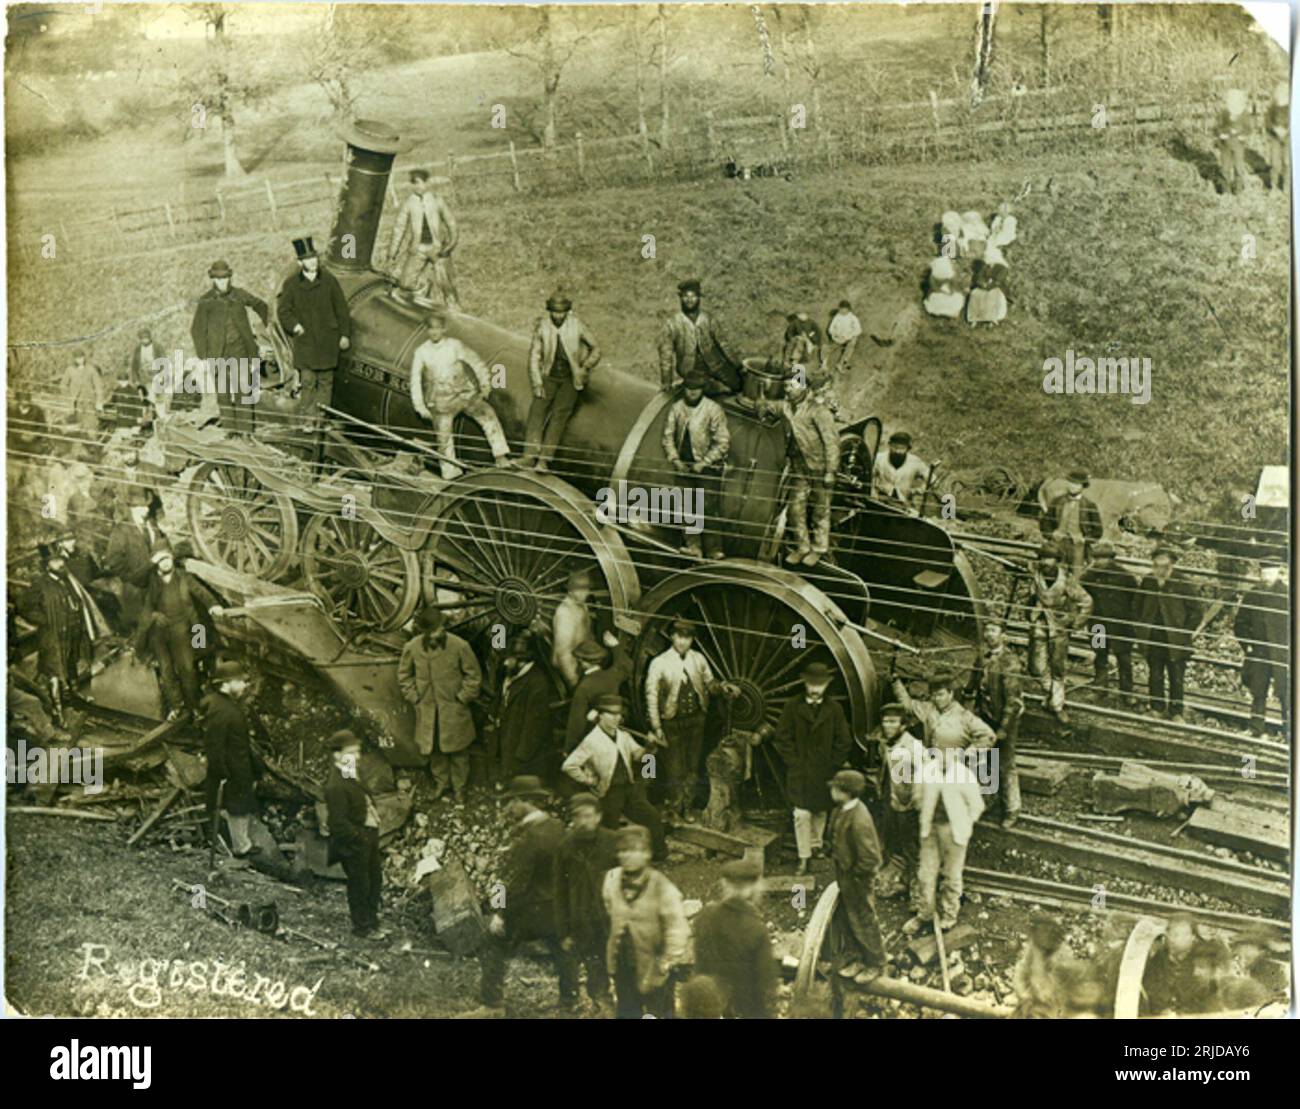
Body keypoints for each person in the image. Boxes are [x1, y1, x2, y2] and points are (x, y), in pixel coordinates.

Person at [473, 776, 576, 1015]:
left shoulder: (528, 837)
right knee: (561, 948)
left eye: (511, 801)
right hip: (558, 908)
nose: (508, 808)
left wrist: (499, 913)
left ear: (526, 802)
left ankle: (492, 1004)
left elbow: (513, 882)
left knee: (491, 941)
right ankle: (570, 1000)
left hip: (532, 909)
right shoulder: (556, 826)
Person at [645, 618, 738, 821]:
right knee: (674, 768)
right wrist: (656, 726)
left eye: (687, 638)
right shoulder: (659, 663)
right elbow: (651, 696)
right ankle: (674, 808)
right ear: (672, 637)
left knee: (692, 768)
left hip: (696, 721)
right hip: (672, 722)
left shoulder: (698, 660)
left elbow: (709, 683)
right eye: (678, 637)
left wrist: (723, 687)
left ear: (692, 640)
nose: (682, 642)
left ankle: (687, 808)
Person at [767, 660, 852, 876]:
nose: (815, 689)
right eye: (812, 685)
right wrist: (794, 761)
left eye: (820, 685)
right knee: (801, 814)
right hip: (800, 770)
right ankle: (804, 857)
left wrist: (832, 763)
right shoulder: (793, 707)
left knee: (820, 810)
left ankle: (815, 846)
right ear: (805, 684)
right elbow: (781, 737)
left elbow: (844, 740)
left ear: (826, 686)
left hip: (824, 771)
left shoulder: (834, 709)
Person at [562, 693, 666, 861]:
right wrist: (589, 780)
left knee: (651, 816)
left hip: (629, 788)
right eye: (612, 714)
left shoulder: (623, 736)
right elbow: (569, 765)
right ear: (600, 715)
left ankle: (658, 855)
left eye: (619, 715)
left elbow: (638, 755)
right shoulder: (591, 741)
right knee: (609, 829)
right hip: (609, 792)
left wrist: (649, 748)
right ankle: (606, 863)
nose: (617, 718)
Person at [410, 311, 512, 479]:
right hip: (440, 402)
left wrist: (485, 383)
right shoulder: (421, 352)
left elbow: (476, 362)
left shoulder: (455, 345)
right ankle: (451, 474)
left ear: (443, 329)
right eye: (431, 329)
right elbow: (414, 379)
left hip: (464, 396)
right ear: (427, 331)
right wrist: (419, 405)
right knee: (444, 440)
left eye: (437, 328)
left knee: (488, 416)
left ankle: (501, 455)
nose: (434, 332)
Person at [602, 824, 689, 1018]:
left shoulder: (661, 886)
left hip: (654, 964)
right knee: (626, 1009)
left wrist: (666, 961)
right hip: (622, 959)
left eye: (634, 850)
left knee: (657, 1011)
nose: (628, 856)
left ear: (647, 854)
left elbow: (677, 928)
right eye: (623, 851)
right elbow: (611, 910)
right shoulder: (611, 879)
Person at [397, 606, 482, 802]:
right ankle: (441, 784)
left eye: (442, 628)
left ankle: (460, 788)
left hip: (453, 709)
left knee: (459, 751)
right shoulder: (412, 648)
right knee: (434, 750)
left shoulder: (460, 646)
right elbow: (404, 676)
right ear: (424, 633)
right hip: (427, 710)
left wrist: (462, 697)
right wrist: (414, 697)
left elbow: (474, 676)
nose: (440, 632)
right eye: (435, 630)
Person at [904, 744, 985, 935]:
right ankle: (925, 914)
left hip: (954, 831)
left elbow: (977, 805)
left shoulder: (964, 775)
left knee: (952, 875)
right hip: (930, 830)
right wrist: (925, 817)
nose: (943, 758)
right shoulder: (927, 771)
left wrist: (964, 824)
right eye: (939, 753)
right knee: (925, 875)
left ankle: (949, 916)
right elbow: (917, 796)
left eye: (949, 754)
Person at [553, 792, 621, 1015]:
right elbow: (559, 891)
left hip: (612, 916)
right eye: (578, 817)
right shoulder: (565, 847)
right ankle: (601, 1002)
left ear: (598, 816)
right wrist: (564, 931)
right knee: (595, 967)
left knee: (622, 967)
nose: (583, 822)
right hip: (583, 919)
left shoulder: (613, 842)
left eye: (588, 816)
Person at [17, 540, 96, 727]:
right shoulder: (40, 583)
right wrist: (43, 620)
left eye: (60, 559)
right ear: (47, 565)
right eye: (54, 561)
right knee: (55, 674)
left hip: (69, 634)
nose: (60, 563)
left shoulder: (66, 580)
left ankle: (72, 703)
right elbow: (23, 606)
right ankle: (57, 712)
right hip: (51, 637)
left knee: (70, 668)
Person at [136, 548, 221, 721]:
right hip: (160, 634)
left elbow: (201, 593)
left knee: (188, 670)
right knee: (167, 672)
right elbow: (146, 606)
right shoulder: (151, 582)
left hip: (183, 630)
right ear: (155, 564)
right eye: (161, 560)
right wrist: (154, 616)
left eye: (167, 558)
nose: (165, 563)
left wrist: (213, 604)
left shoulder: (184, 577)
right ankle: (176, 706)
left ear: (173, 559)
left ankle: (195, 707)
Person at [275, 236, 353, 420]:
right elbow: (284, 311)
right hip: (306, 342)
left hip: (327, 340)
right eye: (308, 259)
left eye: (315, 258)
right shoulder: (292, 285)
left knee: (326, 382)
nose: (313, 262)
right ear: (300, 262)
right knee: (308, 382)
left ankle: (321, 419)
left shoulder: (329, 281)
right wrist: (295, 326)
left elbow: (341, 309)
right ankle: (308, 419)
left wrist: (344, 334)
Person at [523, 292, 602, 472]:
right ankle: (529, 455)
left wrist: (585, 368)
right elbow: (534, 356)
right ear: (549, 311)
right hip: (549, 376)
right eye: (554, 312)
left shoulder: (577, 326)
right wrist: (537, 383)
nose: (558, 316)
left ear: (568, 311)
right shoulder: (542, 328)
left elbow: (596, 349)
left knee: (559, 416)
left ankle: (544, 460)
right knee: (537, 411)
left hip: (570, 379)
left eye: (562, 312)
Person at [190, 259, 269, 435]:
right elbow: (197, 330)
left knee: (243, 393)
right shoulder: (206, 301)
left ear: (230, 278)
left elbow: (261, 305)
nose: (222, 282)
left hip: (240, 352)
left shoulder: (239, 295)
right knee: (223, 395)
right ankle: (230, 434)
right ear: (213, 280)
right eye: (218, 279)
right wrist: (203, 357)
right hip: (217, 355)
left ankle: (246, 433)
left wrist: (267, 329)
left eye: (225, 278)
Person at [692, 857, 778, 1018]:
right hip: (744, 1008)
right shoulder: (755, 928)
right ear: (754, 888)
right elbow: (765, 982)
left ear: (724, 885)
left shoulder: (705, 917)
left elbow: (700, 965)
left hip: (708, 1004)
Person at [661, 368, 731, 560]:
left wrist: (705, 462)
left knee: (708, 508)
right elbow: (667, 437)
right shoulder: (676, 409)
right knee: (686, 507)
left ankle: (714, 550)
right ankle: (693, 546)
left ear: (702, 389)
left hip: (707, 469)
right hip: (684, 467)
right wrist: (675, 460)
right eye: (689, 388)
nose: (692, 392)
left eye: (696, 389)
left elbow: (723, 441)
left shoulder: (713, 409)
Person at [827, 768, 888, 986]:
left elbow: (871, 858)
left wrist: (857, 876)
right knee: (847, 916)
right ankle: (856, 958)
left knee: (864, 919)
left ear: (846, 792)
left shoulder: (860, 818)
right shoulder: (841, 810)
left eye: (835, 788)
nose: (831, 791)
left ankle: (876, 963)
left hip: (857, 879)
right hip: (846, 874)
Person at [323, 729, 385, 940]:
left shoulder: (348, 771)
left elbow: (361, 795)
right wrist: (360, 837)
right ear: (337, 755)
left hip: (367, 834)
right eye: (352, 752)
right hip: (355, 841)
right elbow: (337, 823)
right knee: (360, 884)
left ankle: (372, 921)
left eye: (357, 751)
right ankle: (362, 927)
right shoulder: (335, 786)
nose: (357, 757)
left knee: (374, 880)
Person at [963, 621, 1025, 826]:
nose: (989, 635)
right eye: (987, 630)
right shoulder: (982, 657)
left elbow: (1013, 701)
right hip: (985, 716)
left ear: (1003, 635)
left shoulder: (1010, 662)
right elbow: (972, 684)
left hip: (1004, 718)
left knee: (1006, 763)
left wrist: (1004, 728)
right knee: (986, 761)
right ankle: (991, 801)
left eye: (993, 631)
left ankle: (1012, 809)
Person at [1132, 546, 1201, 722]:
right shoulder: (1148, 581)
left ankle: (1176, 711)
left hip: (1175, 640)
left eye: (1164, 567)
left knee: (1176, 676)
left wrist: (1184, 632)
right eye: (1156, 566)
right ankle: (1156, 708)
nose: (1160, 571)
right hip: (1153, 637)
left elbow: (1196, 611)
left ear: (1171, 566)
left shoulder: (1183, 583)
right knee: (1155, 673)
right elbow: (1137, 606)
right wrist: (1141, 628)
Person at [1027, 543, 1093, 723]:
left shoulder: (1066, 580)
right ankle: (1051, 694)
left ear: (1057, 561)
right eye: (1042, 558)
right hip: (1040, 622)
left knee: (1057, 668)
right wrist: (1030, 612)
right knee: (1035, 667)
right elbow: (1031, 594)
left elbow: (1086, 601)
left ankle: (1057, 705)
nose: (1045, 561)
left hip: (1059, 626)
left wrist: (1075, 622)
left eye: (1049, 558)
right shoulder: (1036, 575)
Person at [201, 657, 261, 858]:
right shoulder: (221, 710)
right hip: (231, 770)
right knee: (236, 808)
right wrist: (222, 773)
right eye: (241, 681)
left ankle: (242, 845)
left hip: (239, 767)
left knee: (241, 808)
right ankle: (238, 847)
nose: (245, 684)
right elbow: (214, 747)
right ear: (226, 684)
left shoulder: (227, 704)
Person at [865, 702, 923, 902]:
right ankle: (900, 881)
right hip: (892, 802)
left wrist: (917, 800)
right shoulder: (887, 744)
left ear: (903, 725)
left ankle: (918, 896)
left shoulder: (913, 746)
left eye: (893, 722)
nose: (888, 725)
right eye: (885, 721)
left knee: (913, 850)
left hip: (909, 806)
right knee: (893, 842)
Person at [782, 369, 839, 567]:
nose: (787, 389)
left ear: (803, 387)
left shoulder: (818, 411)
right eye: (786, 385)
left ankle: (820, 548)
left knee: (820, 510)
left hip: (820, 467)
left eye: (791, 385)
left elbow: (831, 442)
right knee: (795, 508)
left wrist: (831, 471)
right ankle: (802, 547)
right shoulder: (786, 407)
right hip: (799, 466)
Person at [386, 168, 460, 309]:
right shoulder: (409, 203)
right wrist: (392, 253)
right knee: (406, 283)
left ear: (427, 183)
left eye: (419, 183)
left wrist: (450, 244)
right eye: (413, 184)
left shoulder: (438, 200)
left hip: (438, 248)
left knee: (447, 285)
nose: (416, 187)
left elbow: (451, 223)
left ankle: (456, 312)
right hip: (418, 249)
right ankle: (425, 290)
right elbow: (399, 227)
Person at [657, 279, 741, 396]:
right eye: (685, 296)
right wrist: (666, 382)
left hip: (715, 365)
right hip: (691, 370)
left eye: (693, 296)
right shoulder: (672, 323)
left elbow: (723, 343)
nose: (689, 300)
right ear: (680, 298)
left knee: (739, 385)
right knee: (709, 392)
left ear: (699, 298)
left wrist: (737, 365)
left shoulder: (708, 318)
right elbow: (666, 356)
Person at [101, 485, 169, 632]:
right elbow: (114, 561)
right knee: (142, 629)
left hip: (156, 583)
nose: (146, 510)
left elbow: (160, 544)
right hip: (136, 589)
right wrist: (132, 577)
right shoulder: (121, 530)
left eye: (147, 506)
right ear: (131, 507)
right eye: (140, 507)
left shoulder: (152, 524)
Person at [1235, 558, 1289, 737]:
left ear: (1278, 572)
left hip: (1282, 652)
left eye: (1270, 572)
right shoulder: (1253, 594)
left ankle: (1289, 732)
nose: (1266, 576)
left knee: (1286, 692)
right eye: (1263, 572)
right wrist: (1248, 645)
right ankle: (1255, 728)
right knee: (1258, 690)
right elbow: (1240, 623)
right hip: (1259, 651)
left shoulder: (1287, 594)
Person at [1080, 540, 1138, 703]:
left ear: (1111, 559)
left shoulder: (1125, 576)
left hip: (1121, 626)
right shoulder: (1089, 576)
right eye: (1096, 558)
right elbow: (1080, 592)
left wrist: (1132, 620)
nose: (1098, 562)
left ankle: (1127, 693)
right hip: (1098, 625)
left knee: (1124, 658)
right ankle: (1100, 689)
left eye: (1102, 558)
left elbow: (1136, 599)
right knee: (1100, 655)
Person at [496, 633, 556, 781]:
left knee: (523, 782)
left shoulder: (537, 684)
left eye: (509, 660)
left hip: (524, 749)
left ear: (522, 661)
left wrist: (522, 754)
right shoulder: (512, 673)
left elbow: (534, 726)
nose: (505, 664)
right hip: (511, 737)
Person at [891, 670, 997, 752]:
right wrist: (895, 682)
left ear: (950, 694)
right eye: (934, 695)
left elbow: (989, 736)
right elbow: (908, 705)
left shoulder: (964, 716)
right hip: (932, 764)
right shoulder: (928, 709)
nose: (937, 699)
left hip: (954, 768)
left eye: (941, 694)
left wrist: (971, 751)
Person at [566, 633, 632, 752]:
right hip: (612, 736)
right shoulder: (612, 676)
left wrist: (570, 750)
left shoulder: (584, 687)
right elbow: (626, 666)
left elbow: (576, 724)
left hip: (593, 740)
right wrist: (615, 645)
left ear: (583, 662)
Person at [1040, 468, 1103, 577]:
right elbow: (1045, 521)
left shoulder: (1089, 505)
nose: (1072, 486)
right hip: (1057, 543)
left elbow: (1098, 531)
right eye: (1070, 483)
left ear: (1083, 486)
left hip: (1077, 547)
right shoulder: (1057, 501)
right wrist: (1050, 534)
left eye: (1076, 484)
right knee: (1051, 573)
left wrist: (1085, 539)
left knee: (1077, 577)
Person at [1011, 915, 1072, 1017]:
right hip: (1030, 1002)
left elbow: (1062, 985)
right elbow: (1020, 973)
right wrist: (1024, 995)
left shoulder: (1061, 955)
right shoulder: (1033, 950)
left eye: (1049, 933)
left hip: (1049, 1006)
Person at [551, 567, 594, 690]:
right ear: (570, 591)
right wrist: (574, 683)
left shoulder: (582, 606)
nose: (586, 593)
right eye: (581, 589)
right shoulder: (564, 613)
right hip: (569, 670)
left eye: (587, 589)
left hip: (582, 666)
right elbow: (562, 655)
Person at [871, 431, 932, 511]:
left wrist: (918, 491)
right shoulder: (879, 458)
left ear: (907, 449)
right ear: (889, 445)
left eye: (902, 448)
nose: (897, 451)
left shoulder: (915, 462)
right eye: (895, 447)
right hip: (880, 499)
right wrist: (873, 491)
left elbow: (932, 479)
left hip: (902, 503)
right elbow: (869, 475)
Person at [65, 349, 109, 438]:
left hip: (90, 401)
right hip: (76, 402)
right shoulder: (70, 370)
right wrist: (69, 398)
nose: (80, 360)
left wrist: (99, 401)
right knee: (78, 424)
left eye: (81, 358)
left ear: (84, 358)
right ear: (74, 359)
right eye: (77, 358)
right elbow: (63, 385)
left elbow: (98, 386)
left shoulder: (91, 369)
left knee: (91, 423)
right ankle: (80, 446)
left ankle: (93, 444)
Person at [1216, 88, 1249, 196]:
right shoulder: (1224, 112)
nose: (1233, 101)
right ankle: (1226, 190)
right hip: (1225, 144)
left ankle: (1238, 189)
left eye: (1236, 99)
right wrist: (1221, 133)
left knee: (1238, 167)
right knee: (1225, 167)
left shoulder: (1244, 113)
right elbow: (1218, 127)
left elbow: (1248, 127)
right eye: (1231, 99)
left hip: (1238, 144)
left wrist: (1243, 135)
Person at [965, 261, 1007, 327]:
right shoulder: (984, 266)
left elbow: (999, 281)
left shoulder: (1002, 268)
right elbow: (978, 277)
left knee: (995, 296)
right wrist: (982, 284)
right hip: (982, 286)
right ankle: (974, 318)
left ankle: (992, 318)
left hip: (994, 287)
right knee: (975, 294)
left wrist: (989, 286)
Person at [826, 300, 862, 374]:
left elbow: (858, 330)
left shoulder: (852, 318)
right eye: (841, 309)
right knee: (825, 347)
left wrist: (849, 335)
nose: (842, 311)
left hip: (848, 338)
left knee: (852, 342)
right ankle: (823, 365)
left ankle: (842, 363)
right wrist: (836, 334)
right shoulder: (837, 317)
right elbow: (831, 329)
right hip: (838, 339)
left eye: (844, 309)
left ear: (848, 309)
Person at [1265, 82, 1288, 191]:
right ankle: (1274, 185)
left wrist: (1287, 130)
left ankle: (1286, 186)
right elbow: (1267, 122)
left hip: (1288, 138)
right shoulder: (1272, 108)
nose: (1281, 94)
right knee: (1274, 162)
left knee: (1287, 162)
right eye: (1279, 92)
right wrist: (1274, 128)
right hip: (1275, 137)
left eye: (1284, 92)